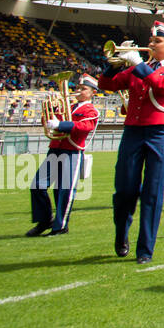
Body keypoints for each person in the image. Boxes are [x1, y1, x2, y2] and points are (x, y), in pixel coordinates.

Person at [98, 22, 164, 264]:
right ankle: (121, 233)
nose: (150, 45)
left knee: (152, 192)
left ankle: (145, 249)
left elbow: (162, 87)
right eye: (151, 41)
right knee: (125, 189)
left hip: (159, 134)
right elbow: (107, 85)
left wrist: (137, 64)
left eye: (156, 41)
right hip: (133, 133)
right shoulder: (141, 67)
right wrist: (113, 65)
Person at [28, 73, 99, 236]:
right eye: (78, 88)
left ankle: (60, 226)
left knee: (64, 190)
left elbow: (85, 126)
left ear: (93, 93)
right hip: (55, 149)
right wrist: (51, 111)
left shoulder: (91, 110)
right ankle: (45, 220)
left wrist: (61, 124)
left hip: (72, 151)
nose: (79, 91)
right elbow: (49, 122)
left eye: (84, 89)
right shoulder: (69, 106)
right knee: (37, 184)